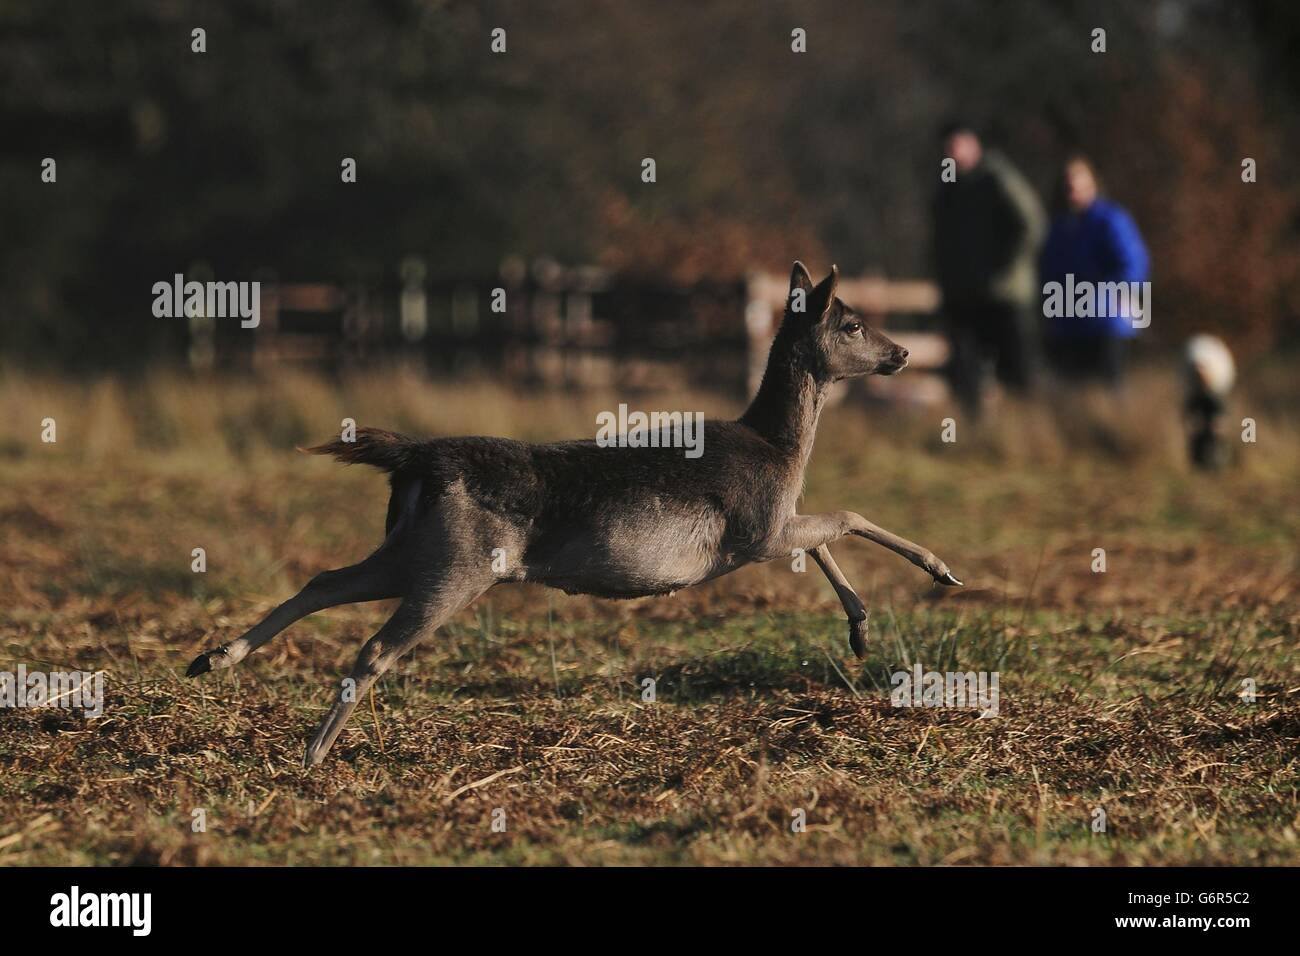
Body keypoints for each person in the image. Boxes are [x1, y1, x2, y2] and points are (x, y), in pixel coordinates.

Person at [933, 120, 1046, 415]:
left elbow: (1031, 224)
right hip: (965, 297)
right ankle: (975, 436)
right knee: (965, 372)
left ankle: (1029, 433)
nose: (952, 154)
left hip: (1005, 297)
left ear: (975, 145)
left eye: (957, 145)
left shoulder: (998, 178)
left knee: (1018, 372)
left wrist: (1003, 269)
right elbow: (942, 243)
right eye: (948, 148)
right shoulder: (948, 189)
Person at [1039, 154, 1150, 386]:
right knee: (1073, 397)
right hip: (1068, 327)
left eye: (1078, 184)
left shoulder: (1111, 220)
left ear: (1093, 184)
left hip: (1107, 324)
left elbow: (1134, 267)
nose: (1073, 191)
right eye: (1067, 186)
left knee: (1108, 395)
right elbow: (1050, 273)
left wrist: (1098, 296)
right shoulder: (1059, 227)